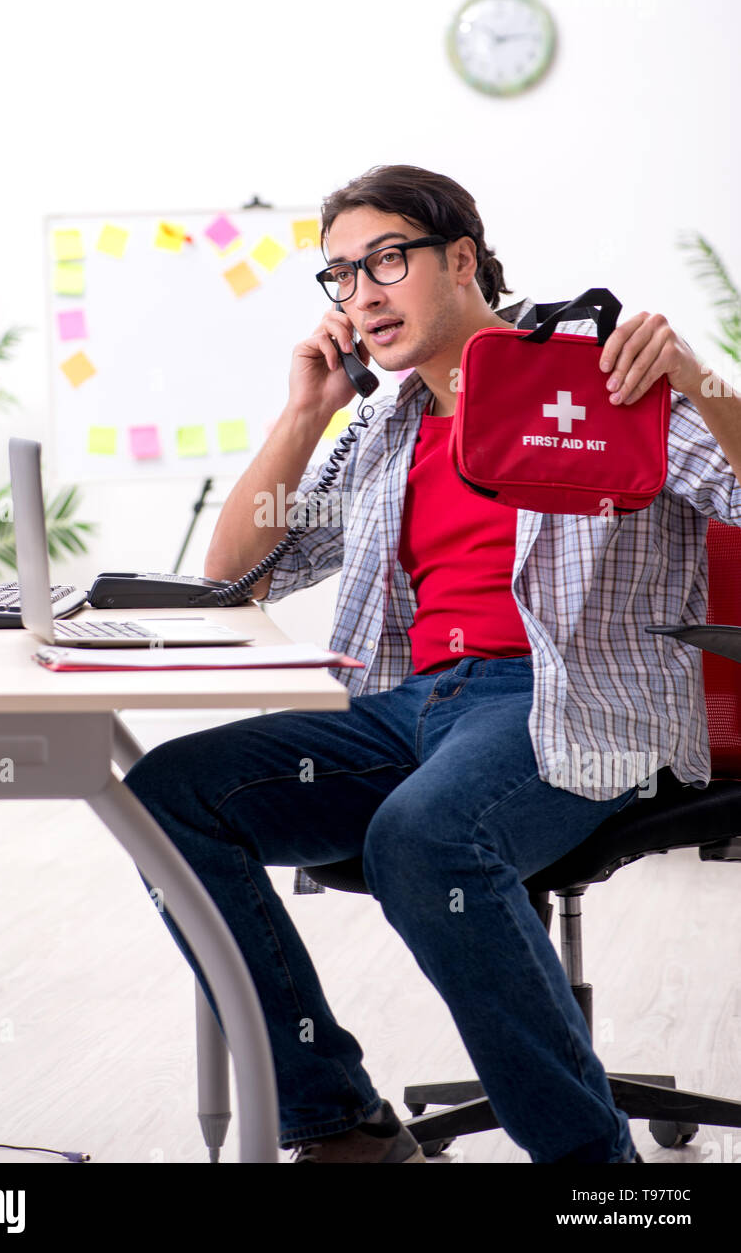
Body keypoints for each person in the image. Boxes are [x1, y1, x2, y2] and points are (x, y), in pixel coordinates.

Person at [124, 163, 739, 1164]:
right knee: (164, 797)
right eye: (339, 276)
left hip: (561, 703)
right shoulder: (384, 422)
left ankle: (599, 1177)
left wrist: (700, 382)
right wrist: (304, 413)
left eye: (386, 261)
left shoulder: (601, 380)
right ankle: (338, 1122)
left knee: (422, 836)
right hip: (404, 710)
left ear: (460, 260)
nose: (361, 293)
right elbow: (235, 575)